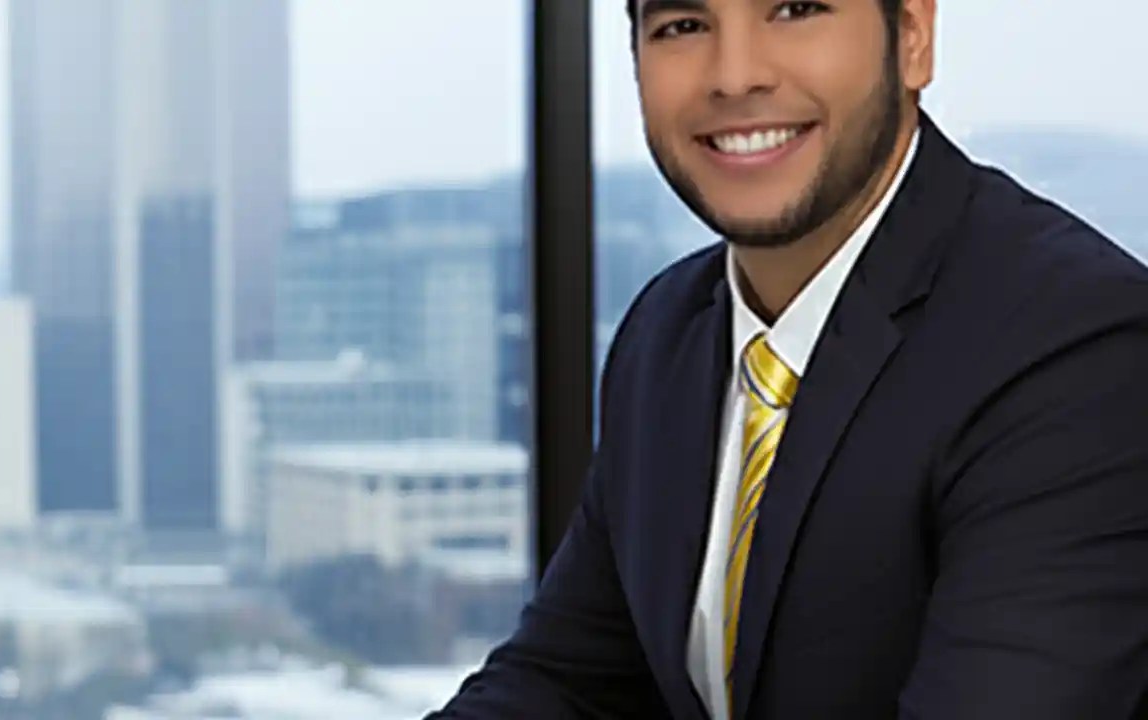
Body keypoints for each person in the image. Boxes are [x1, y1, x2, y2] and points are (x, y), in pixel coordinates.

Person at [431, 0, 1148, 717]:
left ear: (913, 37)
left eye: (796, 9)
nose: (735, 76)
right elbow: (567, 684)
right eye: (682, 26)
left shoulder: (1077, 348)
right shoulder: (667, 330)